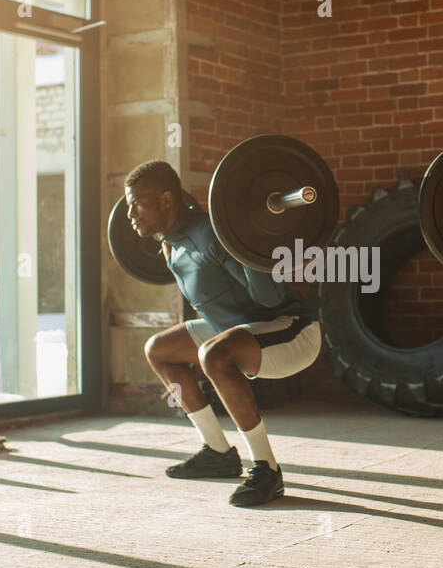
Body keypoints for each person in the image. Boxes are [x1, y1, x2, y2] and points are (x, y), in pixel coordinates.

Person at [124, 160, 320, 507]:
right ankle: (217, 451)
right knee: (159, 349)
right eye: (128, 204)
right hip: (236, 330)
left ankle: (266, 469)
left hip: (292, 330)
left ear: (166, 200)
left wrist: (249, 243)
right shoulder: (170, 243)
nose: (130, 213)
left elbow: (269, 298)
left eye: (137, 202)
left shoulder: (212, 233)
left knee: (213, 354)